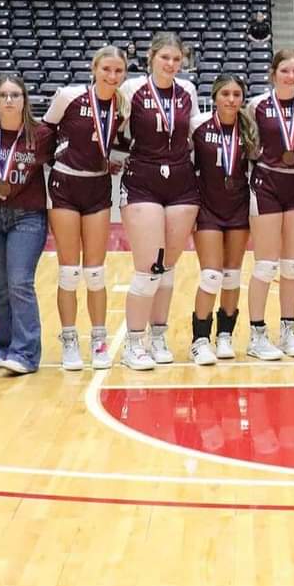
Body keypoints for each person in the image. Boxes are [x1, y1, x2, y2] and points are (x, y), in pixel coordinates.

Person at [118, 32, 201, 370]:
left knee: (167, 269)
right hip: (143, 179)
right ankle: (133, 343)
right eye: (165, 58)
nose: (170, 64)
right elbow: (115, 130)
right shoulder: (132, 89)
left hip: (181, 180)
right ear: (151, 58)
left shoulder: (188, 92)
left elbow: (193, 134)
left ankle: (158, 336)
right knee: (148, 268)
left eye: (176, 59)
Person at [43, 46, 129, 370]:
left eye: (118, 71)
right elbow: (44, 132)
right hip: (65, 185)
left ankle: (98, 339)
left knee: (95, 272)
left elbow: (113, 142)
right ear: (95, 68)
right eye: (106, 69)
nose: (112, 76)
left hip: (98, 186)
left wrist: (111, 161)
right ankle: (68, 340)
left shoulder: (122, 104)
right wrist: (58, 158)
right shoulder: (69, 96)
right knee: (69, 271)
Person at [0, 74, 56, 374]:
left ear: (25, 100)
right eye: (3, 96)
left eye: (15, 95)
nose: (9, 100)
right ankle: (4, 345)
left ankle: (25, 353)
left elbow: (68, 157)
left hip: (28, 216)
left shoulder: (42, 134)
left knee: (20, 282)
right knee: (0, 286)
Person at [242, 51, 294, 361]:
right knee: (265, 264)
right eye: (284, 70)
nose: (290, 75)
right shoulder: (257, 105)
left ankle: (288, 330)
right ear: (273, 73)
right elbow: (249, 146)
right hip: (268, 183)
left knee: (292, 264)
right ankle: (257, 334)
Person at [188, 75, 259, 365]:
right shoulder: (198, 126)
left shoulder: (249, 129)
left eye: (236, 94)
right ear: (215, 96)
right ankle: (200, 339)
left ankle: (225, 335)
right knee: (211, 275)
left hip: (238, 207)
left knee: (231, 275)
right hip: (207, 207)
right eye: (225, 94)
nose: (231, 99)